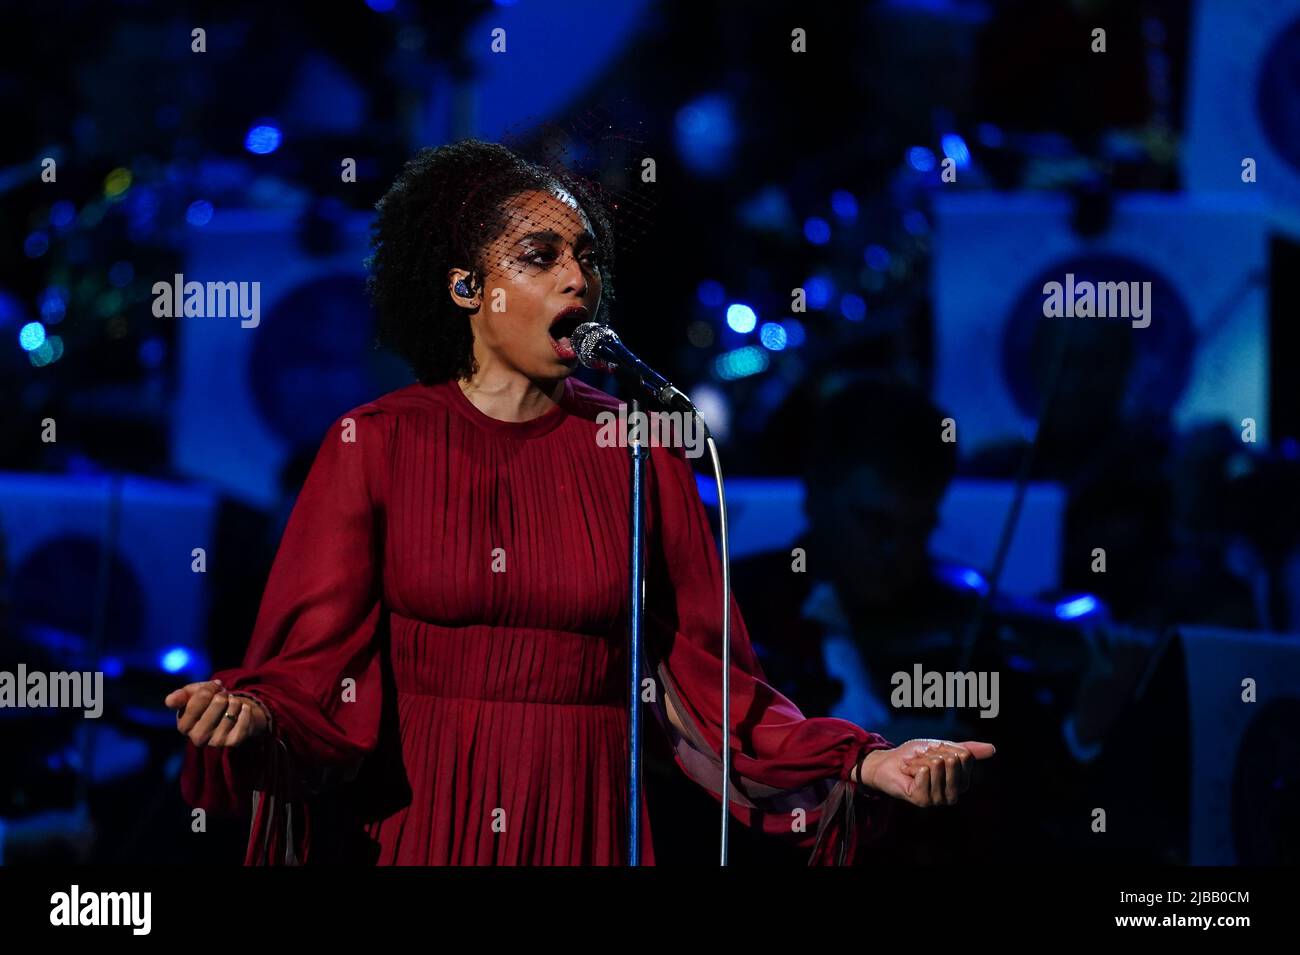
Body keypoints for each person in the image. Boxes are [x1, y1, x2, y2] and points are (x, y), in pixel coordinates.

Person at [165, 139, 994, 865]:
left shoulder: (635, 448)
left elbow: (711, 687)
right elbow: (313, 671)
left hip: (591, 818)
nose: (578, 278)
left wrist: (863, 761)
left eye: (588, 257)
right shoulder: (375, 444)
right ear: (466, 289)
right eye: (540, 255)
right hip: (425, 822)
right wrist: (250, 714)